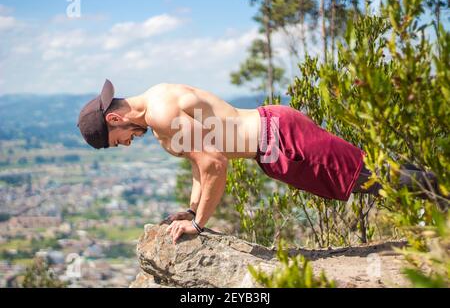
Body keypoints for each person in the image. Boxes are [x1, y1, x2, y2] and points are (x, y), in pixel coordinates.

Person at [78, 80, 446, 243]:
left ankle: (443, 193)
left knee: (367, 179)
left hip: (281, 139)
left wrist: (200, 225)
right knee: (368, 176)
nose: (125, 144)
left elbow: (214, 163)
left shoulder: (160, 114)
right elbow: (198, 163)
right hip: (274, 142)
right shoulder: (157, 102)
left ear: (114, 119)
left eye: (117, 142)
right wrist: (190, 212)